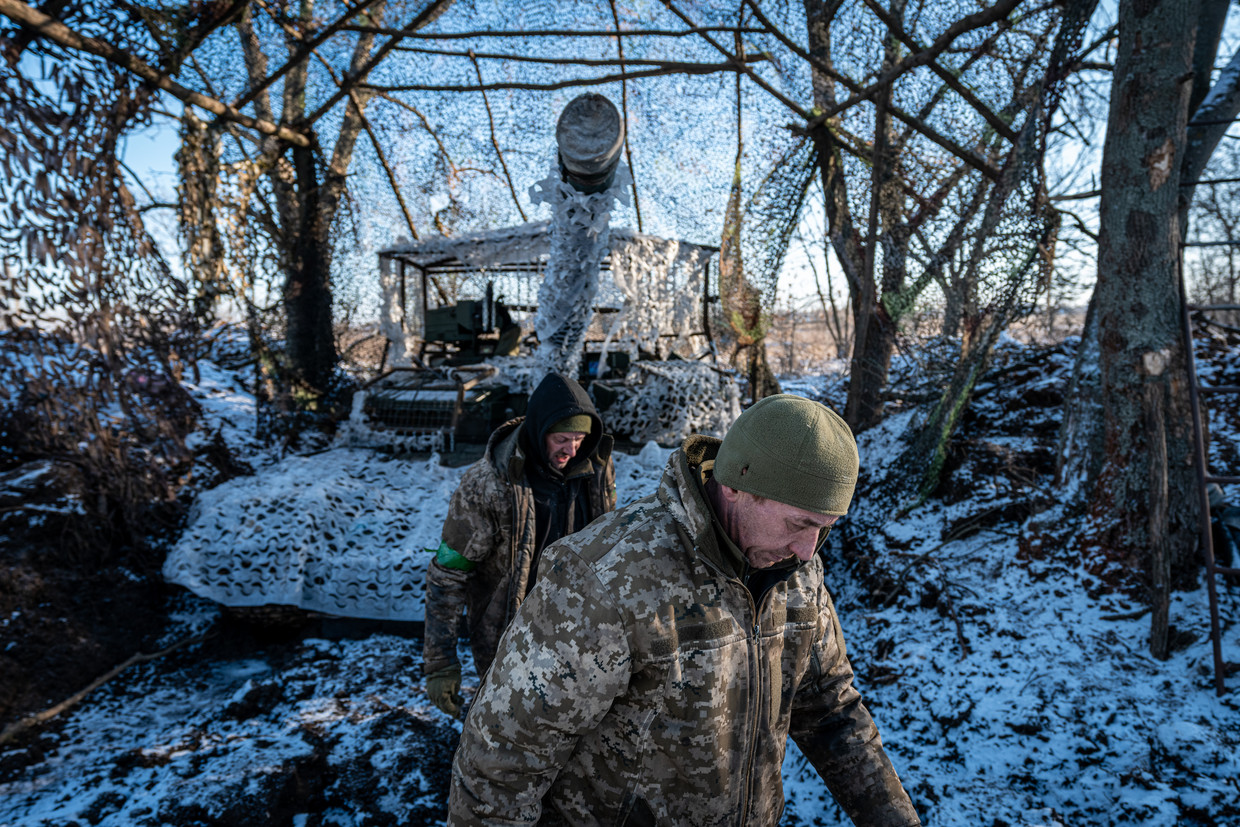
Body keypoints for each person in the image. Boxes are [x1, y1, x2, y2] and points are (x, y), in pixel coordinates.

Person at [448, 394, 921, 826]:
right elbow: (501, 761)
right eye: (799, 523)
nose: (808, 549)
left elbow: (830, 708)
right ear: (736, 484)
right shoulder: (607, 578)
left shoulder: (796, 567)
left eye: (824, 527)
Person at [422, 372, 617, 717]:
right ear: (539, 430)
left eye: (579, 438)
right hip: (508, 639)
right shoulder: (487, 485)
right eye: (561, 438)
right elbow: (449, 573)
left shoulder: (596, 469)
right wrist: (441, 663)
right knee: (508, 734)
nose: (571, 450)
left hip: (579, 634)